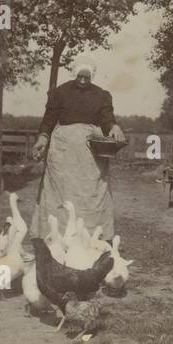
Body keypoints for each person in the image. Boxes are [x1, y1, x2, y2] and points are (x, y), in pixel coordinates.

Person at [31, 61, 126, 241]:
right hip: (62, 150)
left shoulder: (102, 95)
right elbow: (49, 119)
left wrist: (114, 126)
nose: (82, 81)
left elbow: (107, 118)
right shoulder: (59, 93)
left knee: (90, 191)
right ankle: (56, 235)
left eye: (86, 77)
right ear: (75, 74)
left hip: (89, 151)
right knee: (61, 191)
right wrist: (43, 137)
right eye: (80, 77)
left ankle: (90, 236)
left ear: (92, 76)